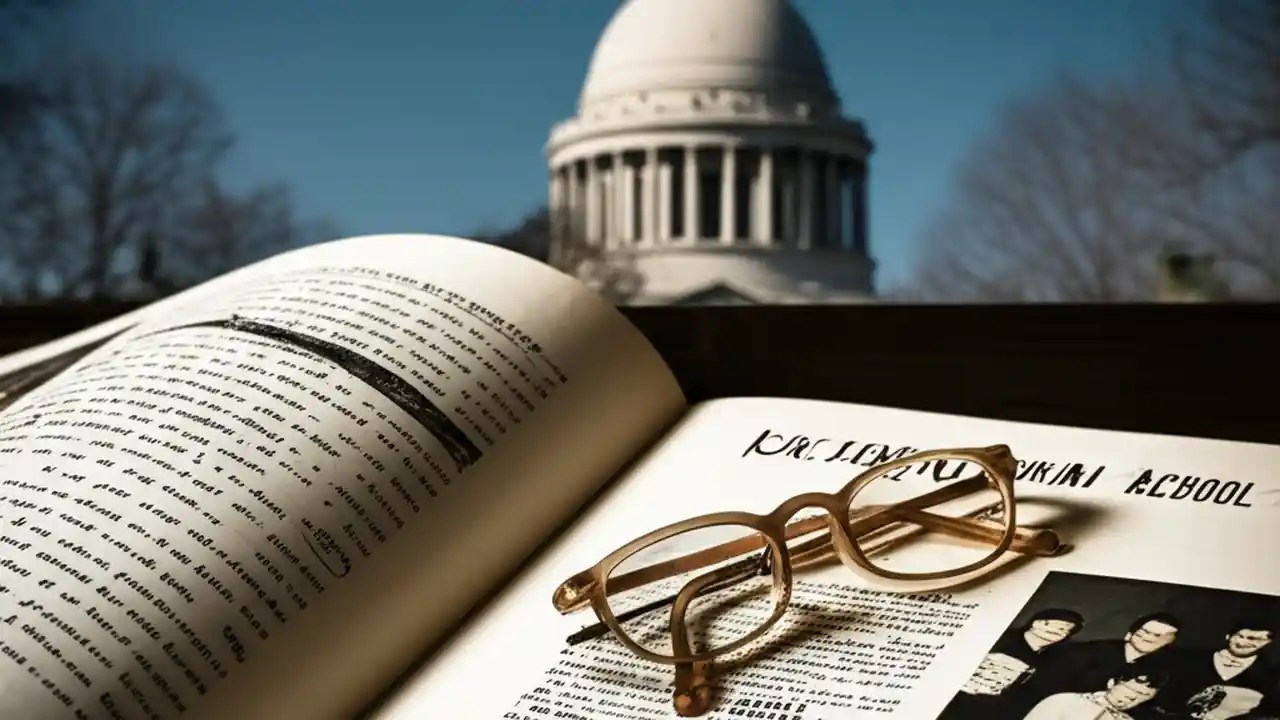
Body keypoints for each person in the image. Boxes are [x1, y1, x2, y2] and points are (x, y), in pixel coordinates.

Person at [1015, 612, 1183, 717]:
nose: (1151, 637)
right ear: (1128, 634)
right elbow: (1041, 688)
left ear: (1169, 643)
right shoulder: (1084, 653)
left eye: (1161, 636)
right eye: (1145, 632)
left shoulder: (1160, 670)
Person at [936, 608, 1085, 719]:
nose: (1060, 631)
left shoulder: (1054, 660)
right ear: (1036, 623)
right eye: (1058, 625)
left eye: (1067, 630)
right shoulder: (998, 638)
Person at [1155, 620, 1277, 717]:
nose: (1244, 642)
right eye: (1240, 636)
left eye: (1255, 639)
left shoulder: (1271, 675)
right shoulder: (1189, 658)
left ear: (1268, 643)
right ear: (1228, 636)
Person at [1022, 669, 1171, 720]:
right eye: (1131, 690)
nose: (1133, 697)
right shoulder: (1064, 700)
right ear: (1112, 683)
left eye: (1144, 696)